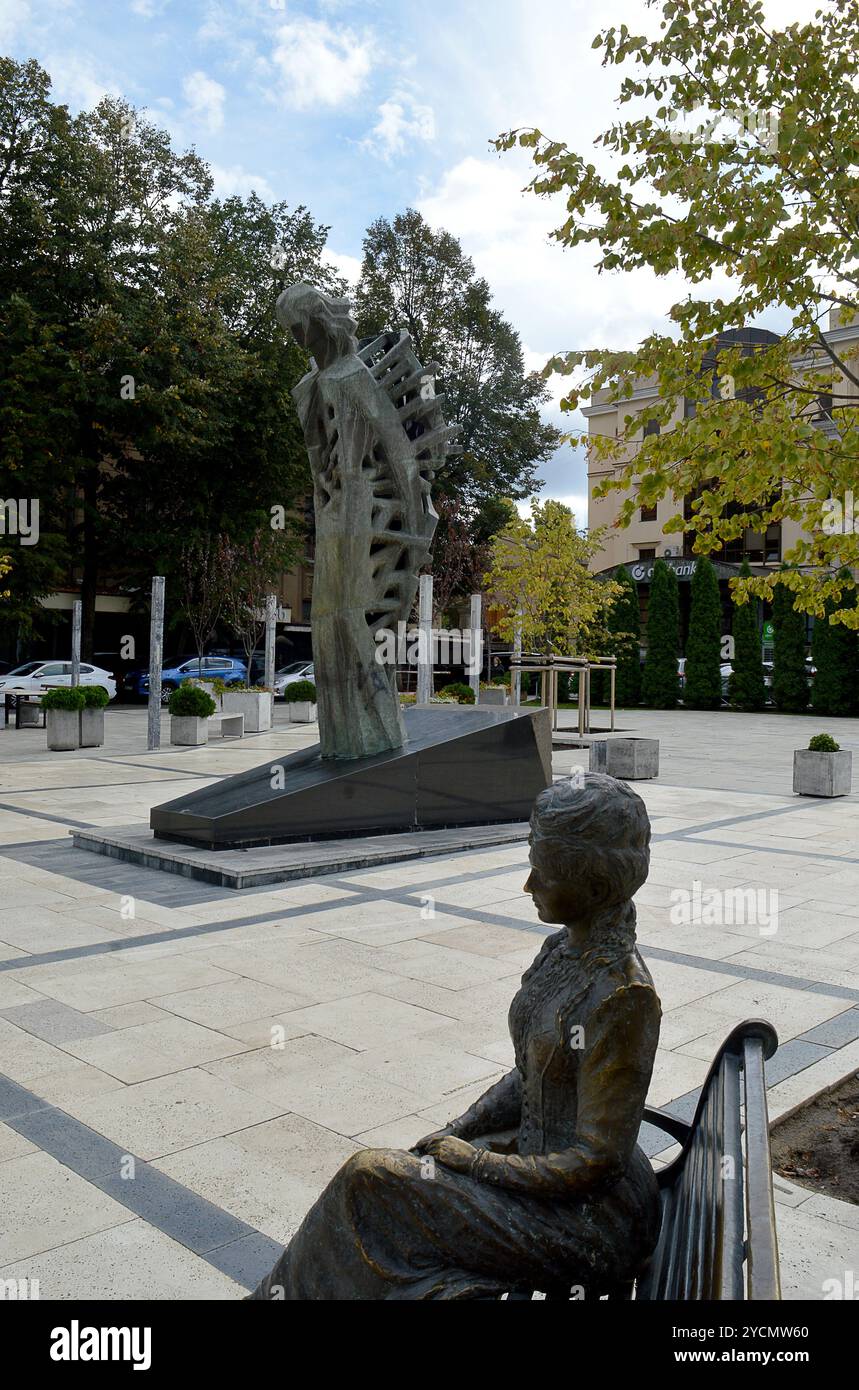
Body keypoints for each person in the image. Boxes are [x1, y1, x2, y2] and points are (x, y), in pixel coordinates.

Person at [250, 772, 662, 1300]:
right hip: (543, 1176)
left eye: (544, 873)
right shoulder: (562, 953)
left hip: (589, 1225)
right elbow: (531, 1074)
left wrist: (474, 1161)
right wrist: (464, 1126)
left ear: (595, 886)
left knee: (369, 1179)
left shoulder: (621, 996)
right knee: (396, 1187)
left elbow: (595, 1161)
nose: (528, 885)